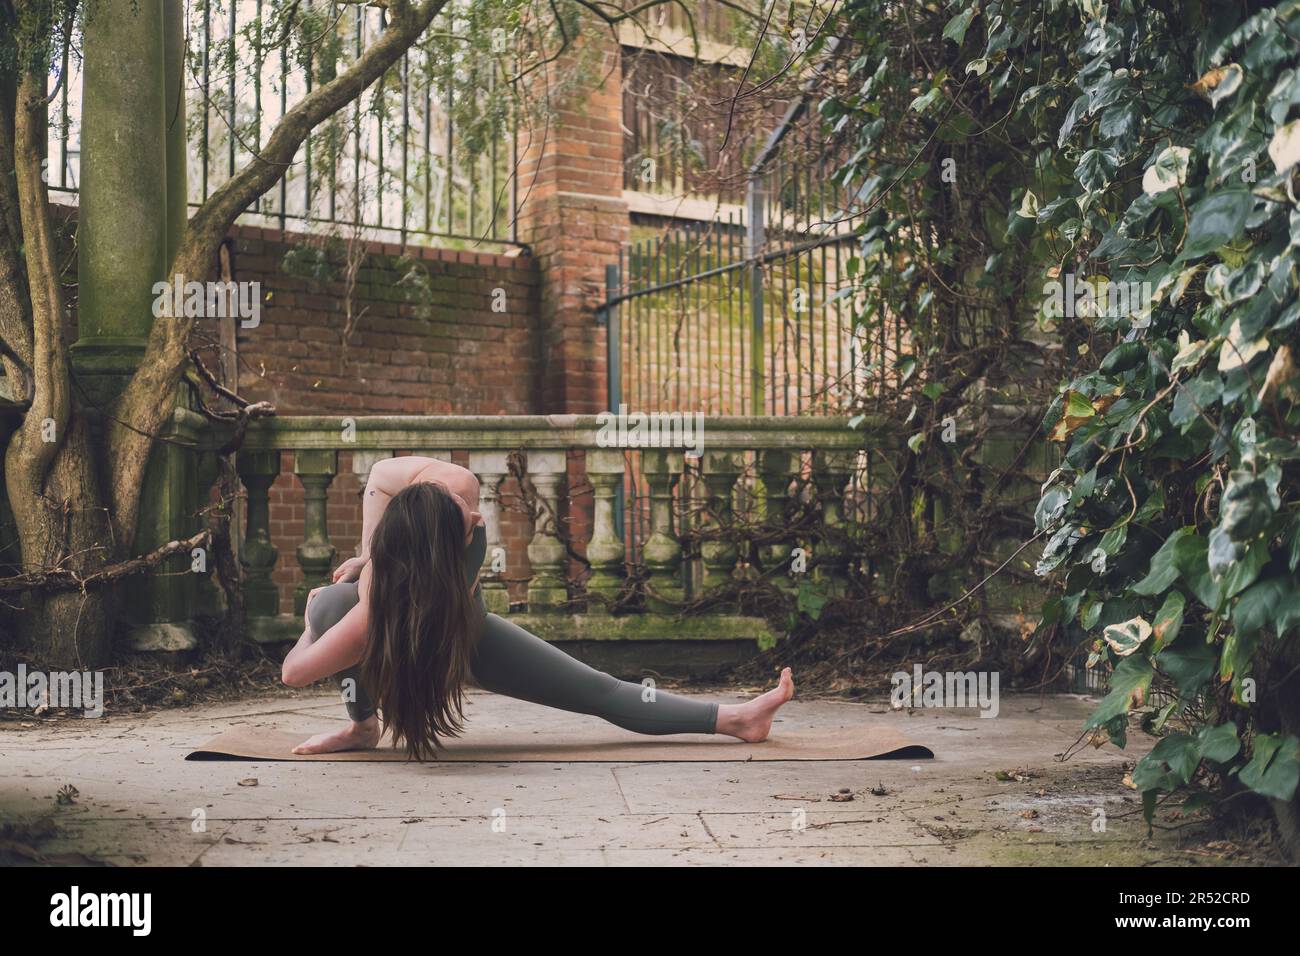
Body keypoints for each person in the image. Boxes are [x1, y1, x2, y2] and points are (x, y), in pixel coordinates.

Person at [280, 456, 795, 759]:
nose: (474, 513)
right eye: (462, 515)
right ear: (439, 547)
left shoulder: (456, 513)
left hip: (467, 637)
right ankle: (363, 726)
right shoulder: (375, 608)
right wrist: (320, 610)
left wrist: (355, 565)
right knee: (329, 604)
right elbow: (293, 674)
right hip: (409, 635)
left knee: (599, 690)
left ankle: (736, 719)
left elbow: (380, 474)